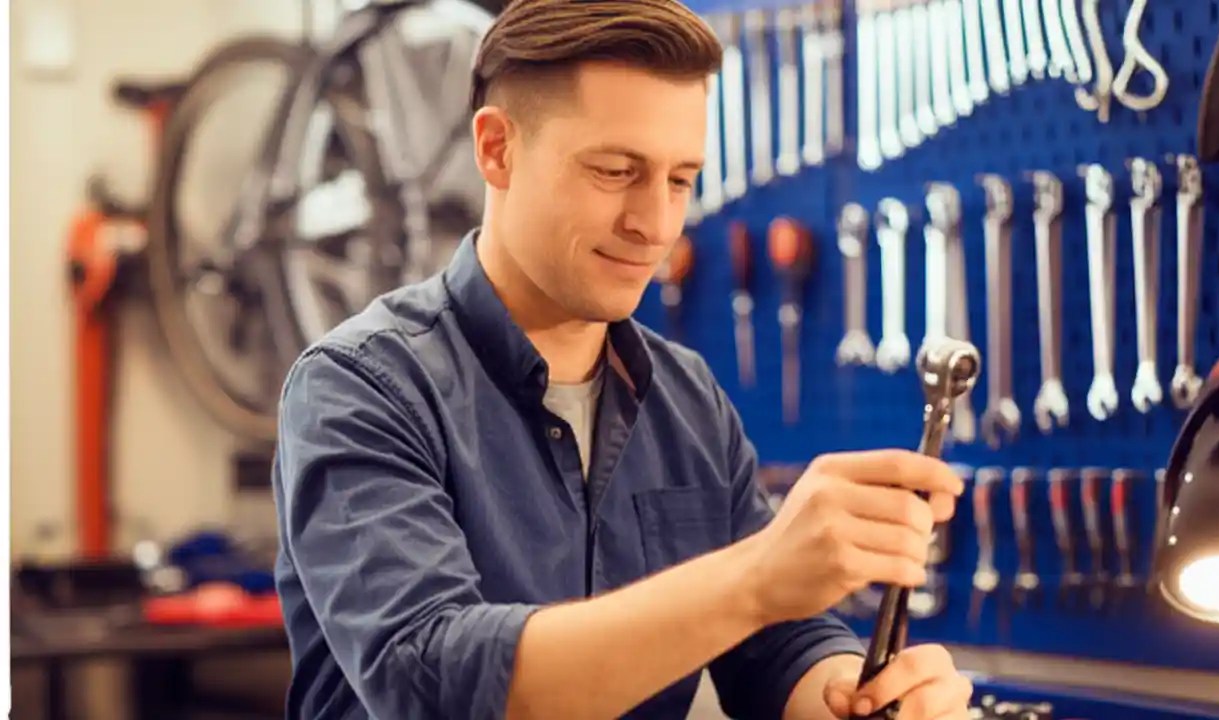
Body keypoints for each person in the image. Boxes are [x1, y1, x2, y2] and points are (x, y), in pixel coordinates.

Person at [271, 0, 974, 718]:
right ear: (496, 149)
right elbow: (433, 679)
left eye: (680, 180)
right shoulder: (360, 388)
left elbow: (777, 645)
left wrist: (861, 693)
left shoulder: (686, 398)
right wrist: (755, 580)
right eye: (614, 171)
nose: (657, 225)